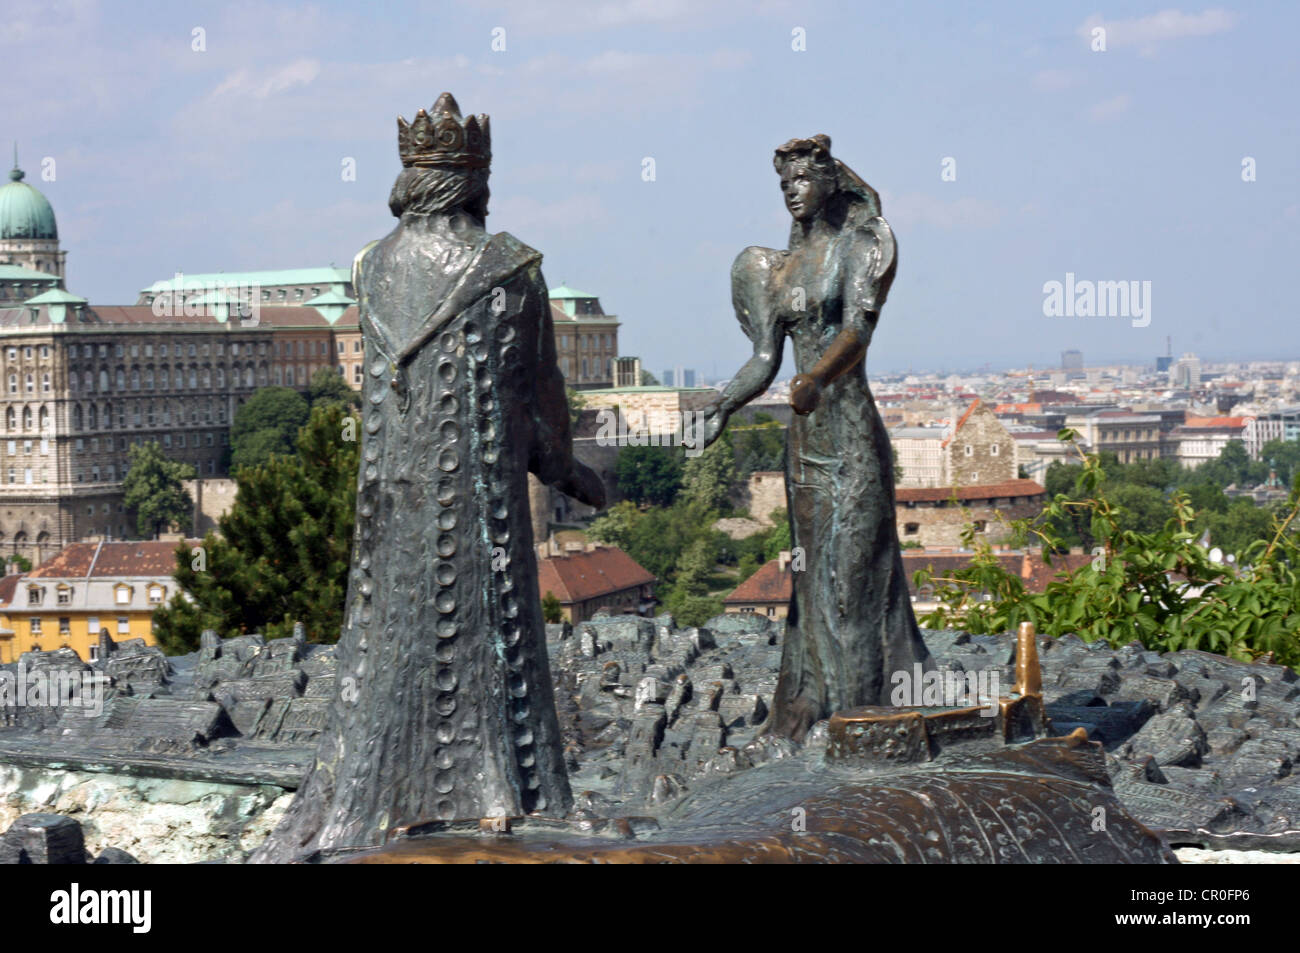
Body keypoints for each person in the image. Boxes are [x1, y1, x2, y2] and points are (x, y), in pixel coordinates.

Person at [254, 94, 604, 861]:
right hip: (481, 497)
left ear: (410, 181)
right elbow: (543, 401)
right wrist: (575, 473)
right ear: (476, 184)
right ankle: (495, 787)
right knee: (491, 630)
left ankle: (381, 786)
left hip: (389, 505)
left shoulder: (369, 268)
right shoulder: (511, 267)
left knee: (388, 633)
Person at [700, 134, 931, 741]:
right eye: (784, 186)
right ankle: (816, 712)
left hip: (851, 439)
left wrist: (818, 376)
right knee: (814, 586)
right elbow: (761, 359)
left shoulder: (862, 245)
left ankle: (864, 722)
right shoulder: (773, 269)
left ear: (830, 182)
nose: (792, 194)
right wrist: (721, 404)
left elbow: (857, 331)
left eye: (802, 181)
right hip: (805, 447)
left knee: (854, 584)